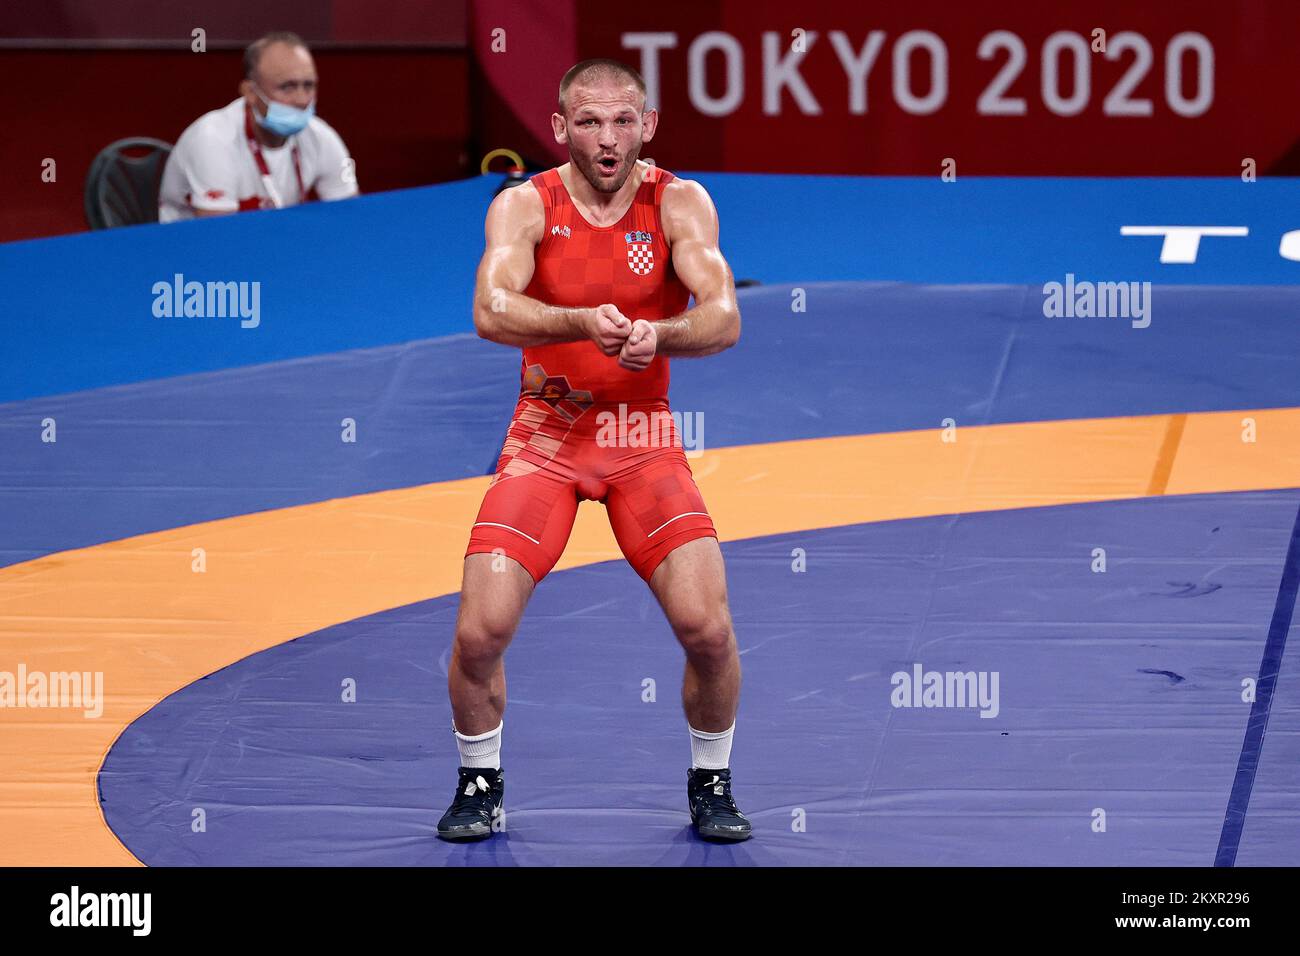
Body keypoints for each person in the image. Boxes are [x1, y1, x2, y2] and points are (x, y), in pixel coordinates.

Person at [437, 58, 750, 842]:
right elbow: (489, 308)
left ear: (646, 126)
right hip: (545, 435)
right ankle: (481, 783)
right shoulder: (525, 205)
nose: (606, 140)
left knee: (708, 630)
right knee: (480, 631)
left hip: (641, 437)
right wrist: (579, 322)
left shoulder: (679, 202)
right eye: (588, 122)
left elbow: (723, 316)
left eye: (621, 122)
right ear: (559, 129)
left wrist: (663, 334)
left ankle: (711, 780)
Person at [158, 31, 357, 222]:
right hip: (188, 249)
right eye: (287, 87)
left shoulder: (321, 136)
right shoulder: (211, 140)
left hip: (269, 242)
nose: (302, 99)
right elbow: (218, 238)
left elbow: (350, 214)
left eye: (308, 85)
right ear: (250, 92)